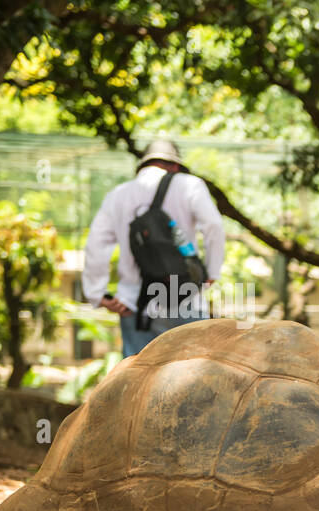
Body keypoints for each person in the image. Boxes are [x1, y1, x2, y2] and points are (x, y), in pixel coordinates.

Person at [82, 139, 225, 357]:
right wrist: (212, 272)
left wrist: (96, 293)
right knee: (192, 381)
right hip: (186, 298)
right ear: (175, 166)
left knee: (137, 385)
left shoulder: (119, 194)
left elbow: (96, 242)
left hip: (135, 303)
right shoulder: (189, 185)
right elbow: (213, 226)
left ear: (143, 166)